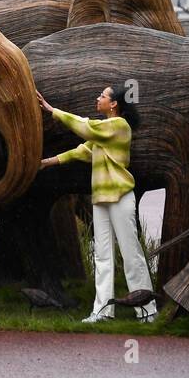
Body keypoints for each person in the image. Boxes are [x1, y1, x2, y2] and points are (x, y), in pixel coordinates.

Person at [37, 83, 157, 323]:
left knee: (131, 254)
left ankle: (147, 311)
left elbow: (86, 127)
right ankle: (102, 312)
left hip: (121, 197)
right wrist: (48, 162)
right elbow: (82, 151)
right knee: (102, 256)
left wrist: (52, 110)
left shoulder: (118, 126)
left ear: (114, 104)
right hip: (101, 198)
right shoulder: (103, 133)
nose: (97, 98)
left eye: (102, 96)